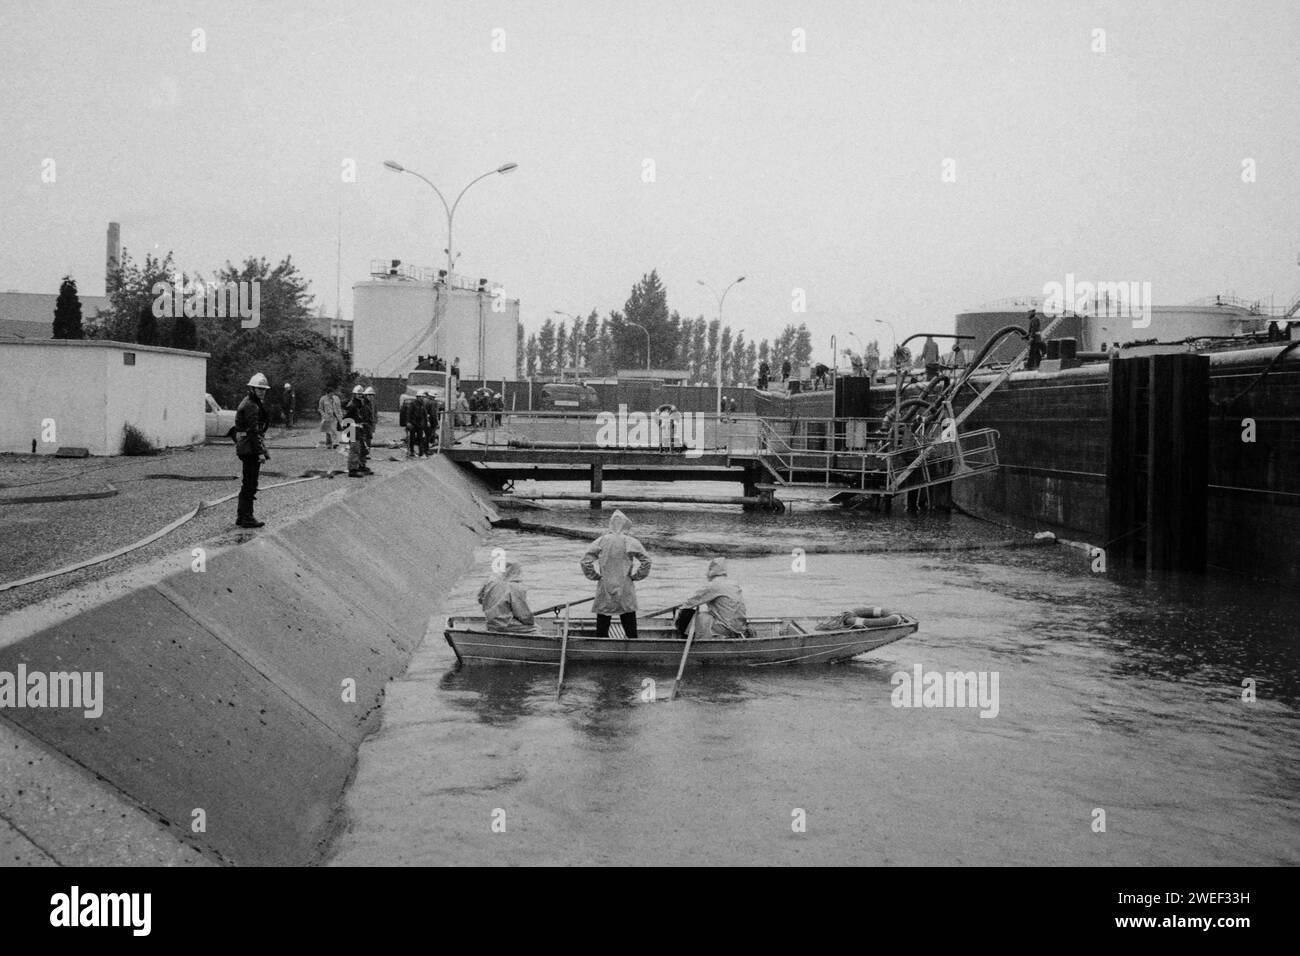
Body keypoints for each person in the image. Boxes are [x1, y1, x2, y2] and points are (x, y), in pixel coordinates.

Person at [580, 510, 652, 639]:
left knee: (603, 615)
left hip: (605, 583)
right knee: (628, 614)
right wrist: (637, 576)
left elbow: (585, 561)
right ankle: (632, 643)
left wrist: (595, 576)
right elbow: (646, 561)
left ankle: (601, 644)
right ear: (626, 525)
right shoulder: (630, 541)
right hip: (625, 583)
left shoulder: (601, 540)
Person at [677, 558, 748, 639]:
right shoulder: (733, 584)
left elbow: (690, 602)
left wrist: (680, 611)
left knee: (691, 614)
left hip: (726, 627)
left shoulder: (713, 585)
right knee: (704, 615)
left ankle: (685, 639)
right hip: (740, 626)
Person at [234, 372, 271, 527]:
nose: (262, 392)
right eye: (259, 389)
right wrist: (261, 452)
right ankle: (246, 517)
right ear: (252, 389)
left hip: (247, 446)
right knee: (250, 483)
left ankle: (242, 516)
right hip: (249, 448)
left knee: (248, 482)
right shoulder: (251, 405)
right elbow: (253, 431)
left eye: (264, 389)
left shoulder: (251, 402)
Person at [477, 561, 536, 632]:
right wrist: (531, 620)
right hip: (506, 624)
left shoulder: (490, 584)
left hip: (491, 623)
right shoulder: (515, 587)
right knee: (536, 628)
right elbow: (524, 616)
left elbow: (480, 600)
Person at [343, 385, 371, 477]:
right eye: (358, 394)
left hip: (359, 429)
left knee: (361, 449)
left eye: (361, 394)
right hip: (352, 429)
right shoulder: (352, 405)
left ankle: (360, 466)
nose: (360, 396)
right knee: (354, 449)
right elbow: (345, 419)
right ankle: (352, 469)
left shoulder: (361, 405)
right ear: (354, 394)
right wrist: (348, 432)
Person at [317, 384, 342, 448]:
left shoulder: (336, 398)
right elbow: (320, 409)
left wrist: (340, 415)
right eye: (330, 394)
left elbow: (339, 407)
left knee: (334, 429)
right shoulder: (322, 399)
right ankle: (328, 444)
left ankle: (335, 443)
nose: (331, 395)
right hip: (327, 417)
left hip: (335, 416)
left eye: (332, 393)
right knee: (328, 431)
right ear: (327, 393)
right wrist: (324, 415)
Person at [405, 391, 428, 459]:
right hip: (413, 423)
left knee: (420, 438)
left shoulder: (423, 404)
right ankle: (411, 451)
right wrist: (408, 422)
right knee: (412, 438)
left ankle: (421, 452)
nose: (422, 398)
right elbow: (408, 413)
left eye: (423, 397)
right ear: (417, 397)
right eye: (421, 397)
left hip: (420, 424)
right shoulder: (413, 404)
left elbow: (425, 414)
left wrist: (427, 422)